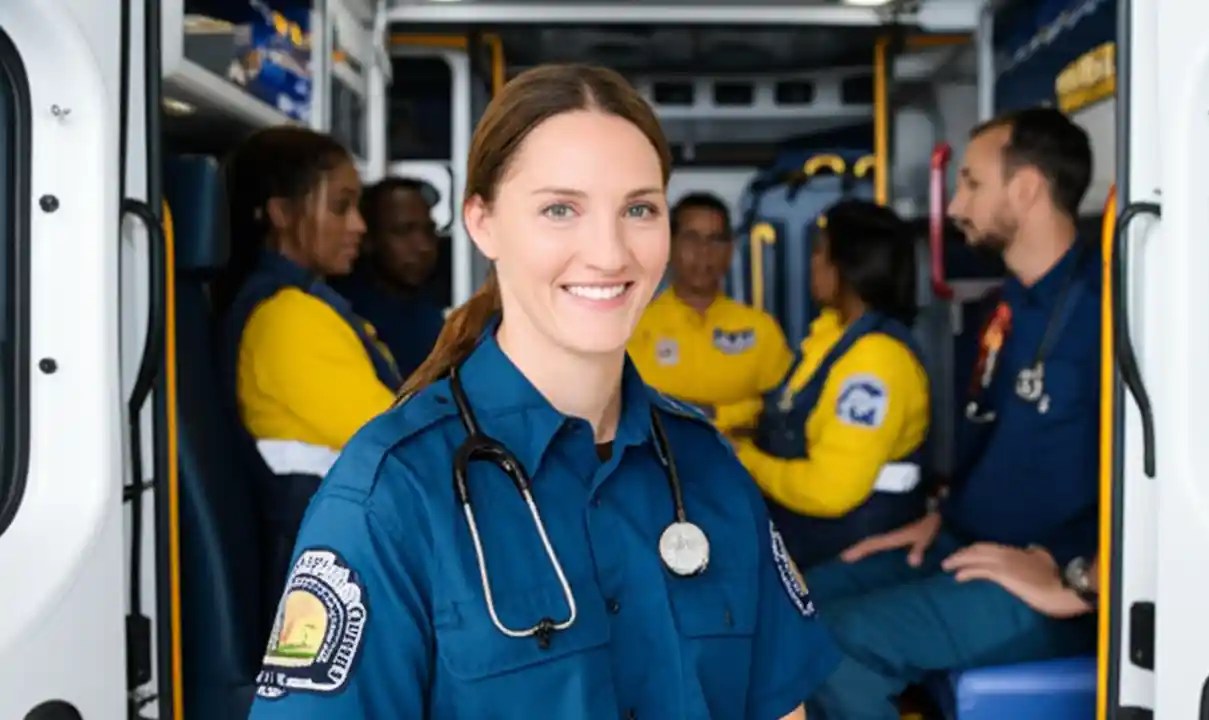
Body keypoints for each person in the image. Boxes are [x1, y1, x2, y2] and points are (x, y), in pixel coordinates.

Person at [248, 63, 840, 720]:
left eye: (639, 209)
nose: (610, 253)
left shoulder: (710, 470)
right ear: (482, 222)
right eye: (561, 209)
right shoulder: (392, 495)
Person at [802, 107, 1101, 718]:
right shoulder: (998, 312)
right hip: (963, 543)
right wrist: (943, 517)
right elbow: (1008, 448)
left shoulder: (1113, 306)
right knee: (789, 605)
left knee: (836, 646)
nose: (956, 204)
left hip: (1057, 576)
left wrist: (1082, 580)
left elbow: (1173, 475)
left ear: (1025, 188)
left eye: (971, 183)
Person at [218, 126, 399, 597]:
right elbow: (400, 442)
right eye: (340, 207)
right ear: (282, 213)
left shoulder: (302, 305)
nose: (359, 225)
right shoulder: (287, 319)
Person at [732, 199, 929, 571]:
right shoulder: (832, 338)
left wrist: (745, 459)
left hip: (851, 554)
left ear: (847, 266)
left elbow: (830, 490)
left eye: (820, 252)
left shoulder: (876, 361)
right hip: (805, 539)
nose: (813, 263)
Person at [628, 192, 793, 433]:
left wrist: (714, 415)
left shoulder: (760, 330)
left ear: (730, 250)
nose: (703, 251)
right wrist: (727, 414)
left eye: (715, 240)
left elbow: (783, 411)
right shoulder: (632, 327)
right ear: (668, 246)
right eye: (691, 238)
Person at [335, 176, 447, 374]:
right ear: (368, 238)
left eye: (429, 231)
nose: (423, 247)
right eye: (403, 231)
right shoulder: (344, 315)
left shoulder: (427, 309)